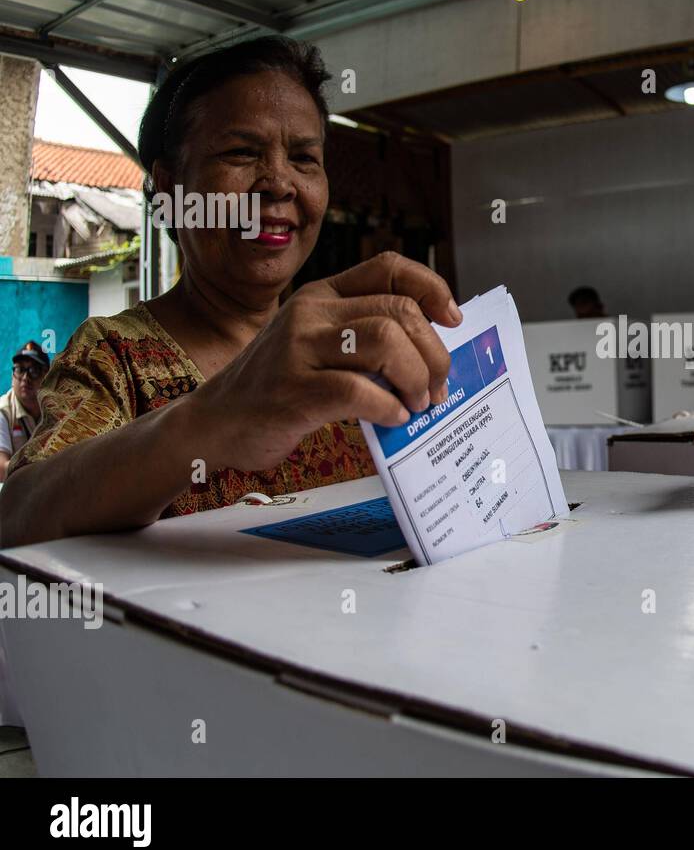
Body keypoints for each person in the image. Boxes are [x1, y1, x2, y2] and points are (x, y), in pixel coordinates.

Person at [0, 36, 459, 547]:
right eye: (242, 152)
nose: (279, 183)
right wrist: (213, 417)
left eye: (305, 158)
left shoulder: (361, 348)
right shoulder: (112, 358)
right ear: (170, 189)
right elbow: (20, 514)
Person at [0, 342, 48, 481]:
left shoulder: (58, 411)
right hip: (15, 494)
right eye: (20, 370)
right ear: (12, 376)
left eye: (34, 371)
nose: (25, 378)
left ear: (47, 378)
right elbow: (1, 470)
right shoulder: (3, 410)